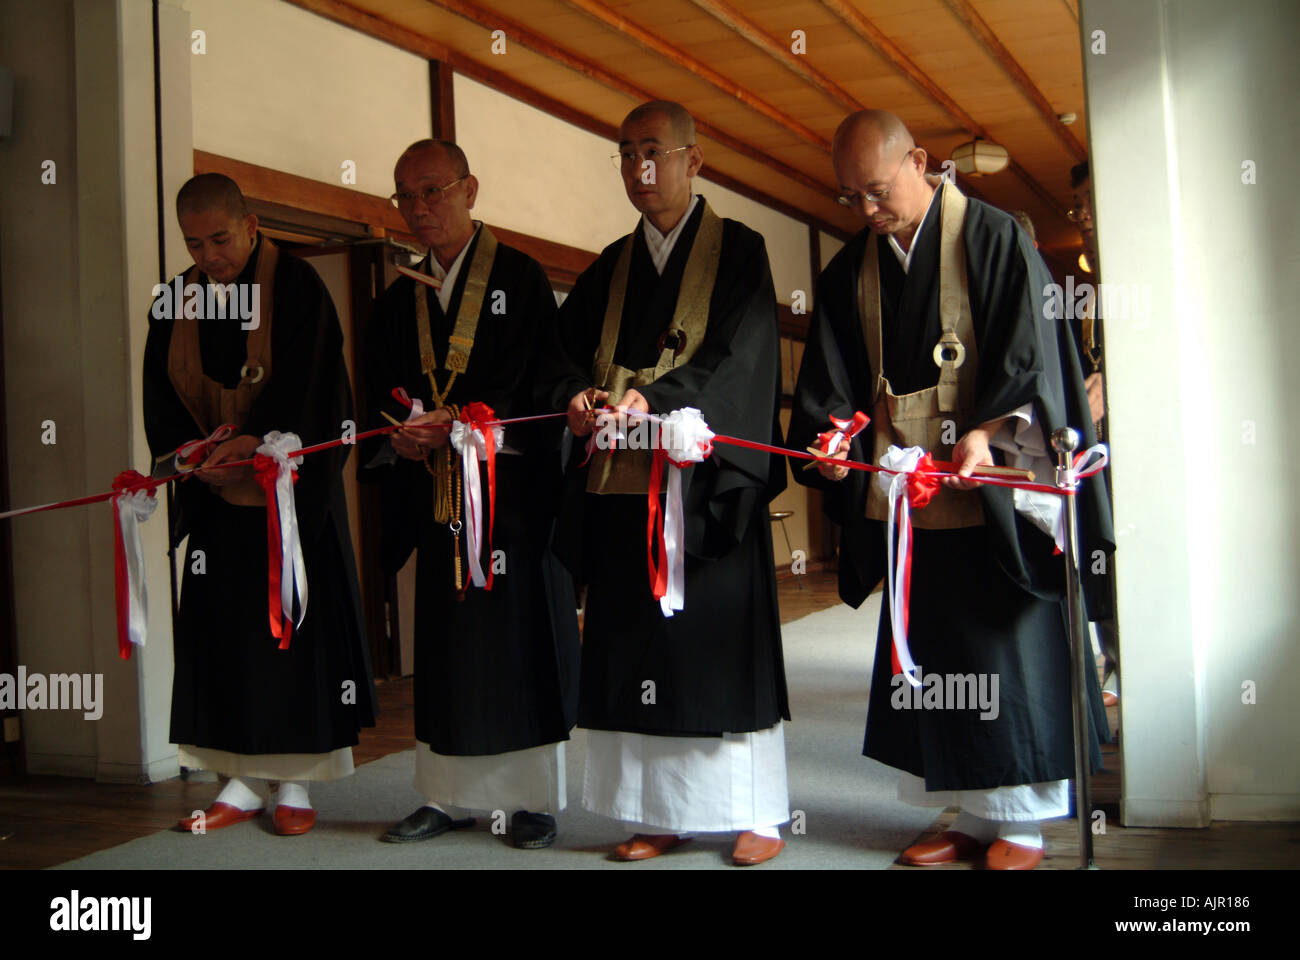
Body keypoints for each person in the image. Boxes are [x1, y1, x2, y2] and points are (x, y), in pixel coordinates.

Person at [788, 110, 1114, 869]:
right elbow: (830, 383)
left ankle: (1023, 821)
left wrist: (992, 429)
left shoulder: (997, 238)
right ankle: (964, 811)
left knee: (1002, 648)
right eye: (850, 200)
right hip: (911, 496)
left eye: (875, 191)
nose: (867, 212)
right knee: (932, 652)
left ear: (920, 161)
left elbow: (1032, 357)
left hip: (989, 483)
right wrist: (833, 442)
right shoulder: (852, 270)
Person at [538, 100, 790, 866]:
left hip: (701, 492)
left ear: (693, 159)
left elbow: (743, 358)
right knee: (633, 646)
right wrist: (575, 399)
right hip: (620, 486)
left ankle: (753, 811)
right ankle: (655, 809)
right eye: (624, 153)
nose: (637, 169)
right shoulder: (610, 265)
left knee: (714, 646)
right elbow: (560, 354)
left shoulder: (740, 250)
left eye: (652, 151)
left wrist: (666, 398)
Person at [361, 140, 580, 850]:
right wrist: (396, 437)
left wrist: (470, 426)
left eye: (433, 191)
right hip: (439, 499)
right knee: (448, 641)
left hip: (512, 497)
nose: (419, 209)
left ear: (469, 190)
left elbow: (544, 388)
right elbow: (378, 398)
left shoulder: (520, 277)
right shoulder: (399, 298)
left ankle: (532, 800)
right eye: (405, 195)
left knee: (519, 641)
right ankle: (444, 794)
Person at [143, 173, 376, 836]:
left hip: (286, 497)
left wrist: (260, 442)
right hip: (217, 500)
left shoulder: (298, 286)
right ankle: (240, 781)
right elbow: (160, 394)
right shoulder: (175, 299)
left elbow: (319, 389)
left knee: (291, 637)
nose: (210, 254)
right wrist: (186, 455)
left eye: (220, 237)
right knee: (225, 640)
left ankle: (298, 784)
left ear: (249, 225)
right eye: (195, 242)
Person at [1069, 160, 1120, 703]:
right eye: (1077, 205)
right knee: (1101, 555)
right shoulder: (1089, 292)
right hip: (1101, 448)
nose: (1083, 214)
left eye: (1090, 200)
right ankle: (1110, 664)